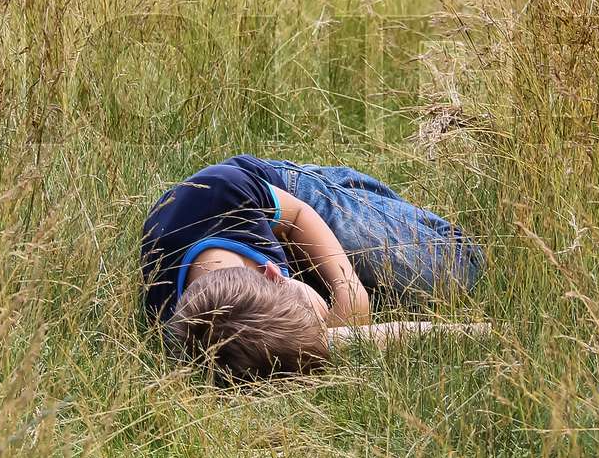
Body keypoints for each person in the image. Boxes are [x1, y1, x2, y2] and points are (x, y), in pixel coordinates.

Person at [141, 154, 486, 381]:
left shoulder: (222, 194)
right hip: (267, 270)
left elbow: (297, 217)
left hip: (286, 195)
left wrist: (347, 286)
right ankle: (319, 278)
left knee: (458, 270)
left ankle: (353, 194)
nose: (327, 325)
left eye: (318, 322)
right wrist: (477, 334)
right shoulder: (193, 326)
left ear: (273, 273)